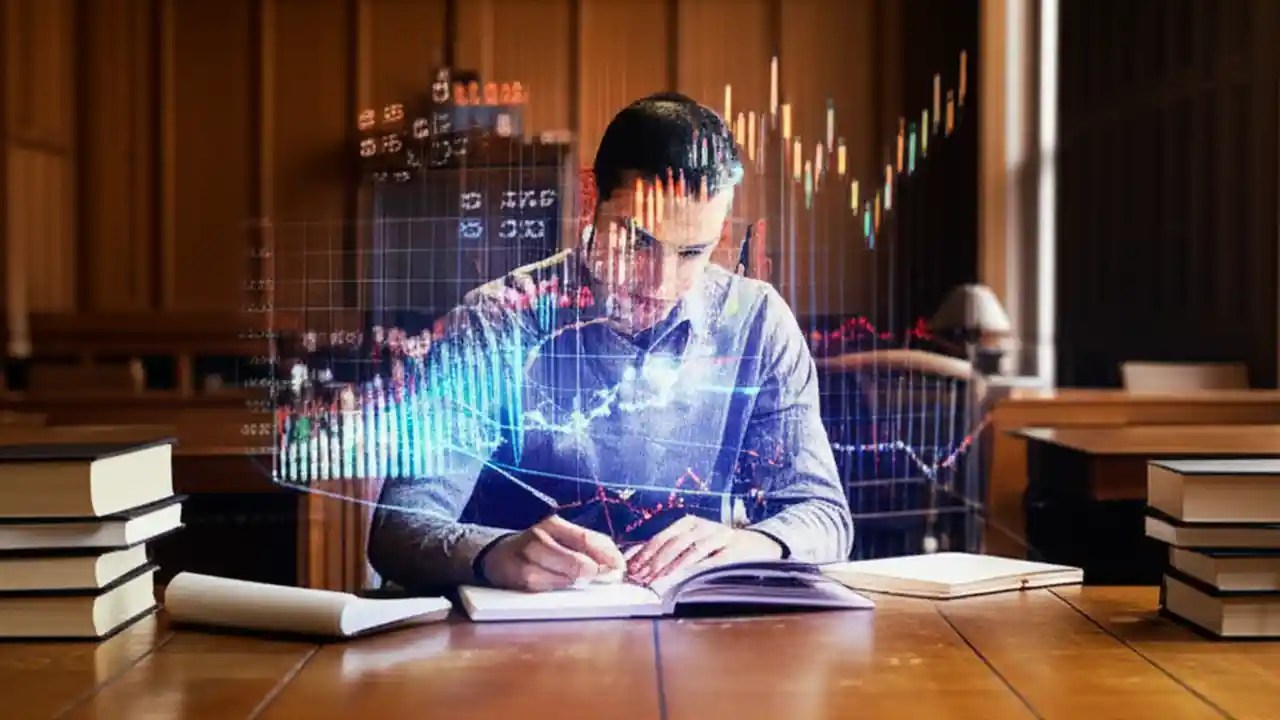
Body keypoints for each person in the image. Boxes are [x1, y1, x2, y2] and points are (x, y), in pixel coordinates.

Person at [368, 92, 852, 593]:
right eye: (638, 240)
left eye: (691, 251)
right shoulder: (495, 323)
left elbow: (824, 515)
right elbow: (398, 528)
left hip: (691, 642)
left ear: (719, 232)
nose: (659, 283)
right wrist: (494, 554)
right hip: (513, 648)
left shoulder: (758, 323)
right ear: (587, 201)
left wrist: (758, 543)